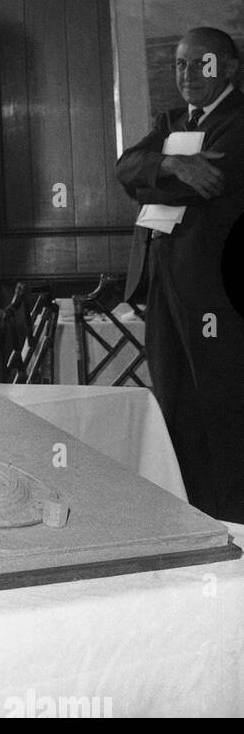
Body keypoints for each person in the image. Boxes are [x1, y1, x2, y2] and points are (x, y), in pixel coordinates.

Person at [117, 26, 244, 522]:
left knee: (224, 407)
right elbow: (127, 168)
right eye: (180, 64)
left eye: (202, 64)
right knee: (177, 405)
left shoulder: (239, 120)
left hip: (216, 291)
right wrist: (170, 162)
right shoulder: (171, 122)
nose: (189, 74)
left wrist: (161, 177)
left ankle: (236, 524)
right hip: (167, 286)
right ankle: (197, 518)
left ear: (228, 68)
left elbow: (209, 185)